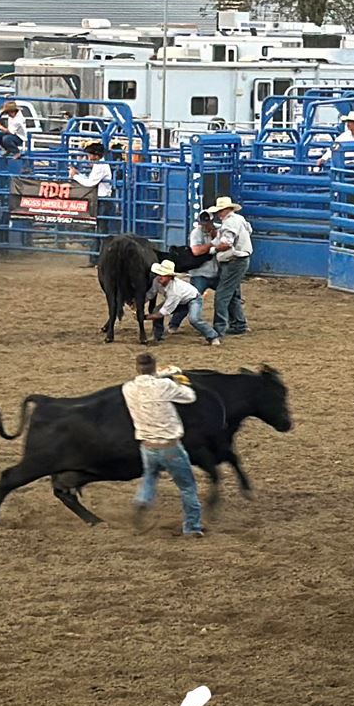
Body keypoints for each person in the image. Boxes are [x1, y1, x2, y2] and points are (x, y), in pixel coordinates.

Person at [123, 351, 204, 537]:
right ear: (154, 366)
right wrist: (179, 378)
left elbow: (147, 384)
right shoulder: (165, 385)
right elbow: (189, 396)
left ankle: (143, 498)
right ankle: (192, 527)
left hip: (147, 445)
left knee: (150, 475)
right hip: (170, 446)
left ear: (137, 367)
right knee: (187, 487)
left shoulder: (128, 388)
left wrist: (158, 375)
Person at [207, 196, 254, 336]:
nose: (218, 214)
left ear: (226, 210)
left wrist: (213, 249)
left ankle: (219, 328)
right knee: (232, 294)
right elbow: (249, 231)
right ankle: (239, 324)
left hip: (234, 261)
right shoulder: (239, 220)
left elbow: (226, 243)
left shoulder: (229, 223)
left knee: (222, 295)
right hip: (239, 260)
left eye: (220, 211)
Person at [145, 259, 221, 345]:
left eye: (163, 274)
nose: (160, 276)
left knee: (194, 319)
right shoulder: (157, 281)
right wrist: (138, 303)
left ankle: (212, 336)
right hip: (182, 299)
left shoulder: (174, 291)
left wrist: (144, 317)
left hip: (193, 299)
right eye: (159, 274)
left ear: (170, 277)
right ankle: (157, 335)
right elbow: (150, 294)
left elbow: (161, 314)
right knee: (157, 310)